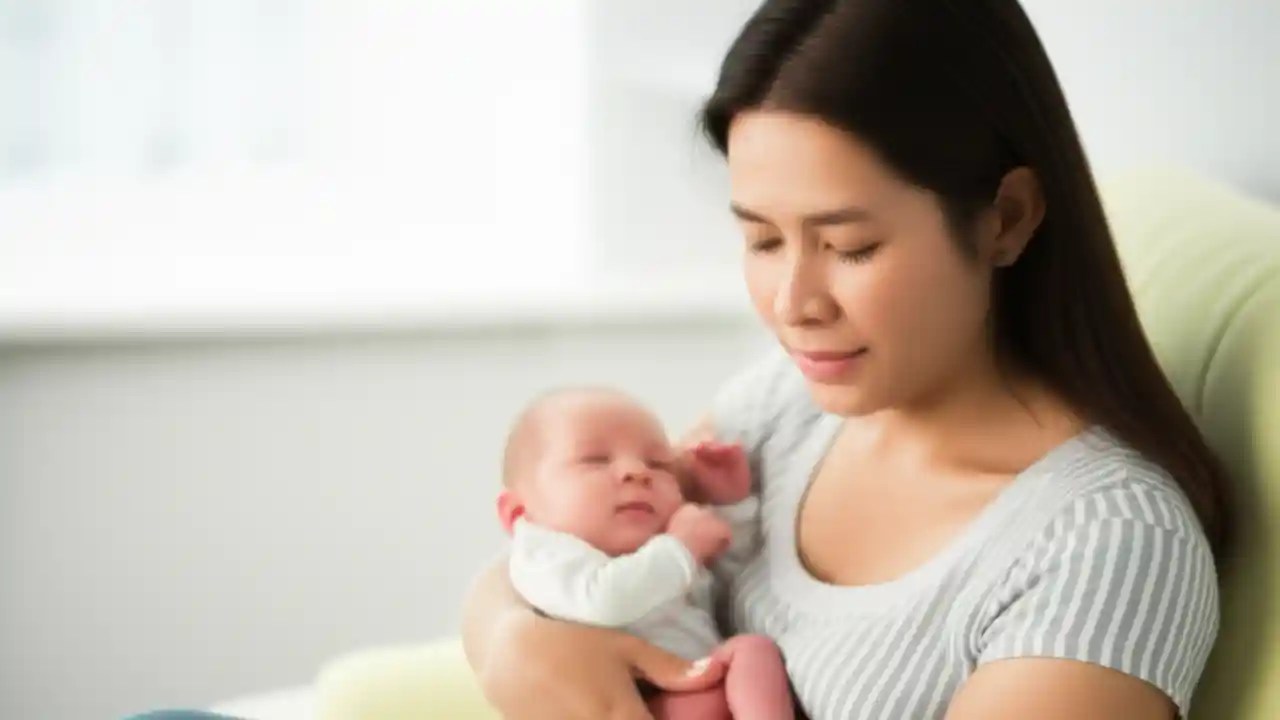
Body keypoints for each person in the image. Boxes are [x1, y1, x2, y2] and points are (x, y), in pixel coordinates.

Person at [463, 1, 1232, 718]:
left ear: (1006, 218)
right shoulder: (789, 404)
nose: (793, 304)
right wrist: (510, 645)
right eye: (762, 240)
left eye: (849, 248)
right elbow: (554, 538)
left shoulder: (1106, 549)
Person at [498, 387, 794, 719]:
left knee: (753, 651)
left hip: (697, 681)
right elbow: (604, 601)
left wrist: (731, 506)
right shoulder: (543, 553)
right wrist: (681, 547)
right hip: (635, 701)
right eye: (595, 460)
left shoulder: (663, 546)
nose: (637, 471)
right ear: (518, 512)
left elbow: (736, 580)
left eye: (658, 464)